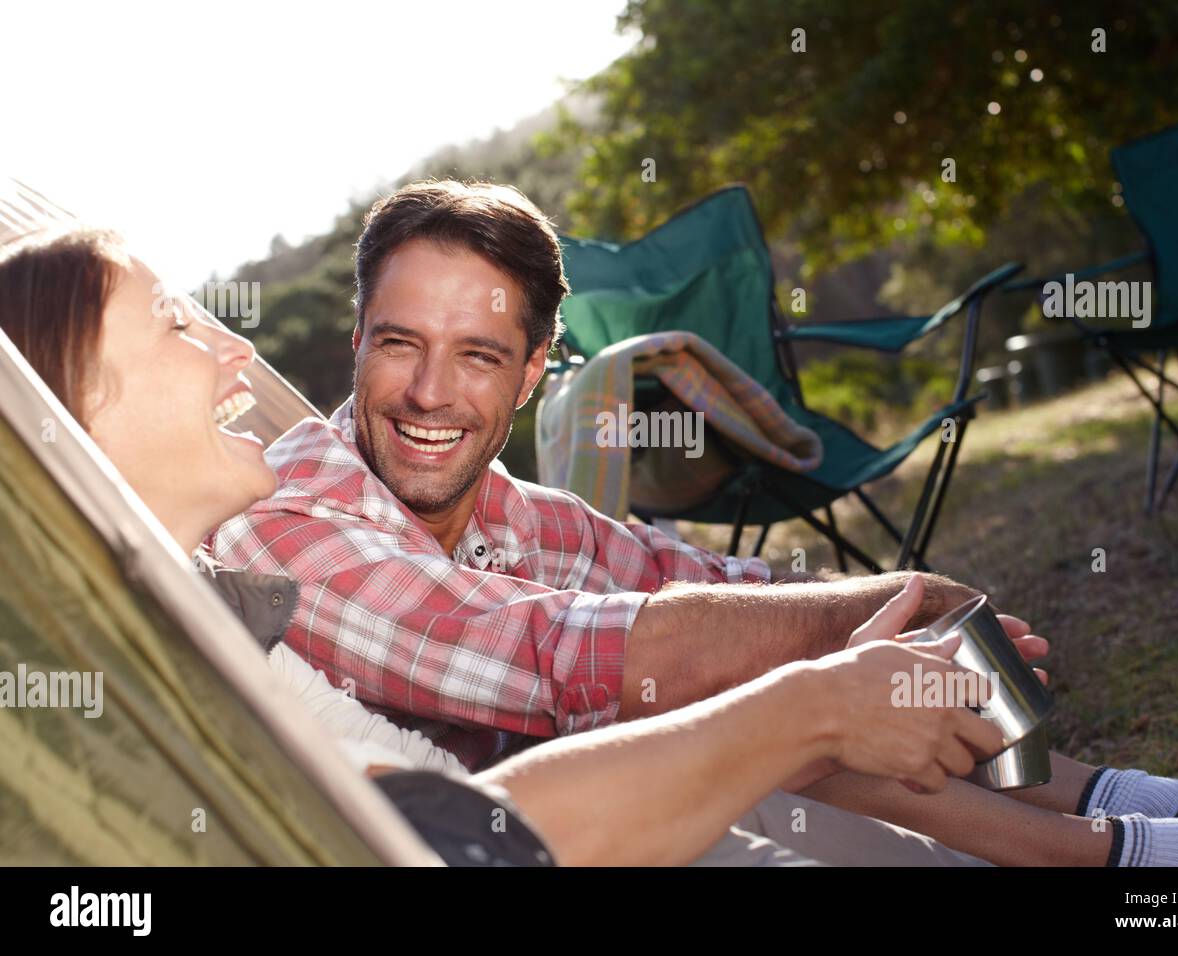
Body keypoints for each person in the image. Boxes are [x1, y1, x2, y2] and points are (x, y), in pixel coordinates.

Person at [211, 179, 1178, 867]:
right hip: (512, 836)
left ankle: (1139, 820)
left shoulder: (495, 503)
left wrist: (884, 619)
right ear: (353, 340)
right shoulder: (290, 517)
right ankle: (1123, 848)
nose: (430, 393)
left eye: (480, 354)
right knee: (722, 686)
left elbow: (660, 563)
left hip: (604, 801)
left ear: (536, 371)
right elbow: (566, 657)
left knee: (777, 660)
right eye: (399, 343)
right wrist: (861, 616)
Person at [0, 225, 1029, 867]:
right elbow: (450, 828)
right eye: (179, 325)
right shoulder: (149, 668)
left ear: (534, 374)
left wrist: (841, 651)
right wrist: (817, 693)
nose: (238, 344)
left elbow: (677, 582)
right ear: (69, 408)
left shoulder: (209, 617)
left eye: (480, 354)